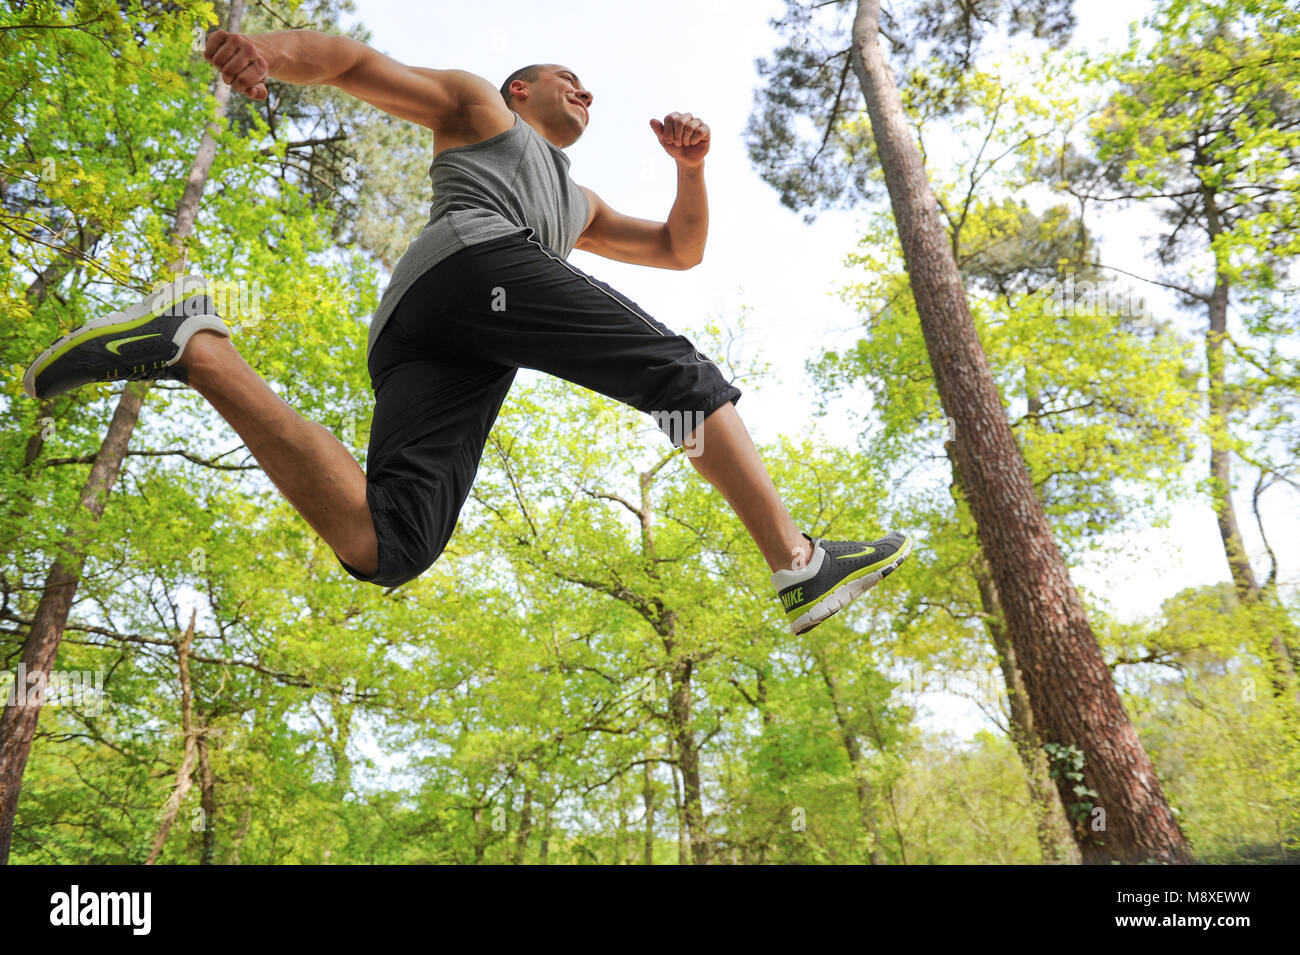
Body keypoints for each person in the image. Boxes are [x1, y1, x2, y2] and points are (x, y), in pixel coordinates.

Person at [22, 28, 910, 635]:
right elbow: (350, 65)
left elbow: (681, 250)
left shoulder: (577, 205)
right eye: (569, 80)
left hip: (431, 330)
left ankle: (196, 348)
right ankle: (797, 563)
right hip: (470, 269)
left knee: (389, 543)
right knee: (677, 376)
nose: (586, 91)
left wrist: (692, 169)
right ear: (522, 89)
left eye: (590, 89)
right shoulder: (483, 110)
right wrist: (266, 55)